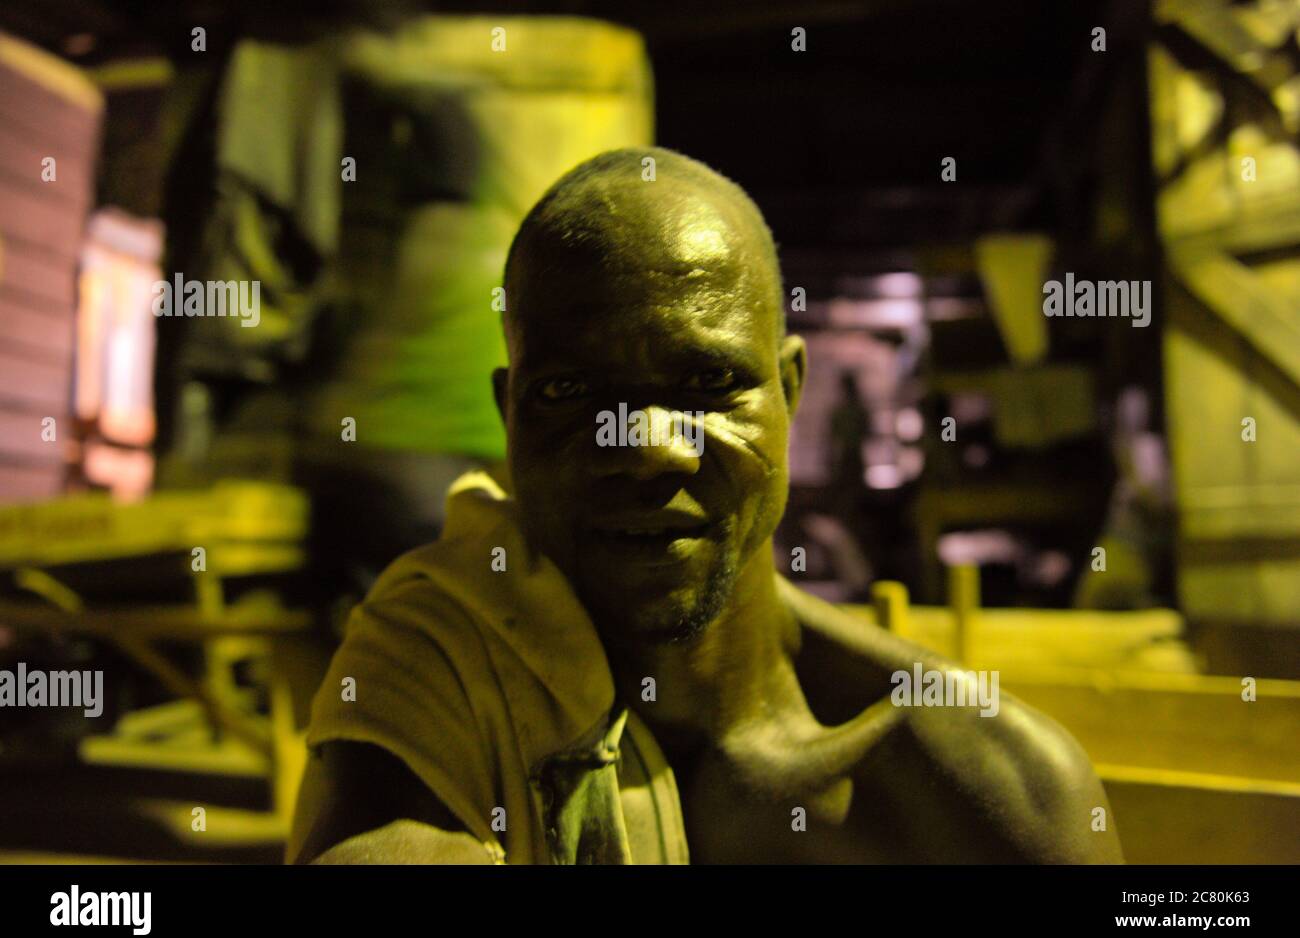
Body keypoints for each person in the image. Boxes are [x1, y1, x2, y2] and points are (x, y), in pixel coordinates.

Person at [287, 147, 1123, 864]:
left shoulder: (981, 795)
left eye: (711, 382)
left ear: (791, 392)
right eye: (573, 391)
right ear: (512, 417)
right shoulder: (441, 658)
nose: (649, 445)